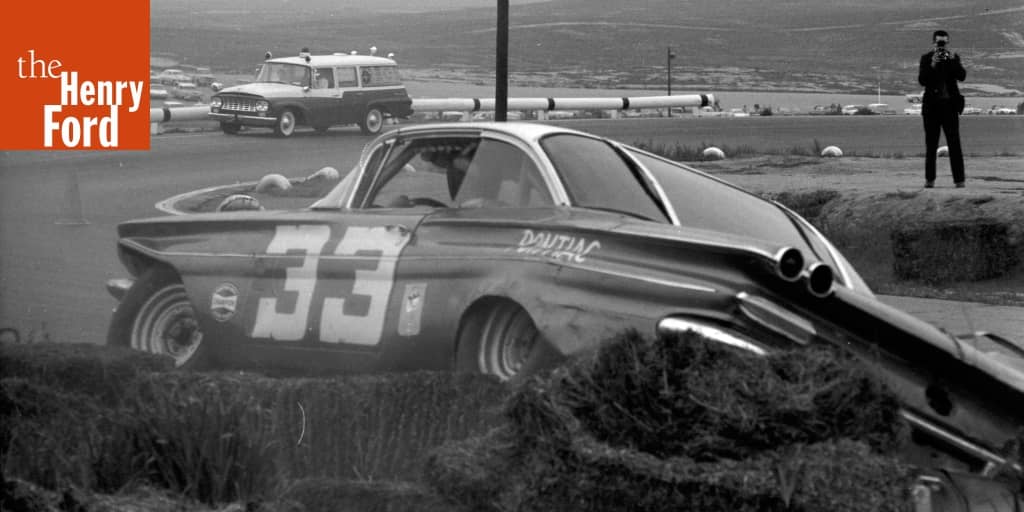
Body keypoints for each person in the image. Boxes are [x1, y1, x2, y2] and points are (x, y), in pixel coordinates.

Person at [918, 30, 967, 188]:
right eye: (939, 42)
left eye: (944, 42)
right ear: (933, 42)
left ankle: (959, 180)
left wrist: (953, 61)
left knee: (955, 144)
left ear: (948, 43)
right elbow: (922, 80)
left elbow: (962, 76)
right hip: (932, 108)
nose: (941, 45)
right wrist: (932, 64)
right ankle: (929, 180)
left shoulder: (953, 58)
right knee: (931, 145)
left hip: (950, 107)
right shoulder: (926, 59)